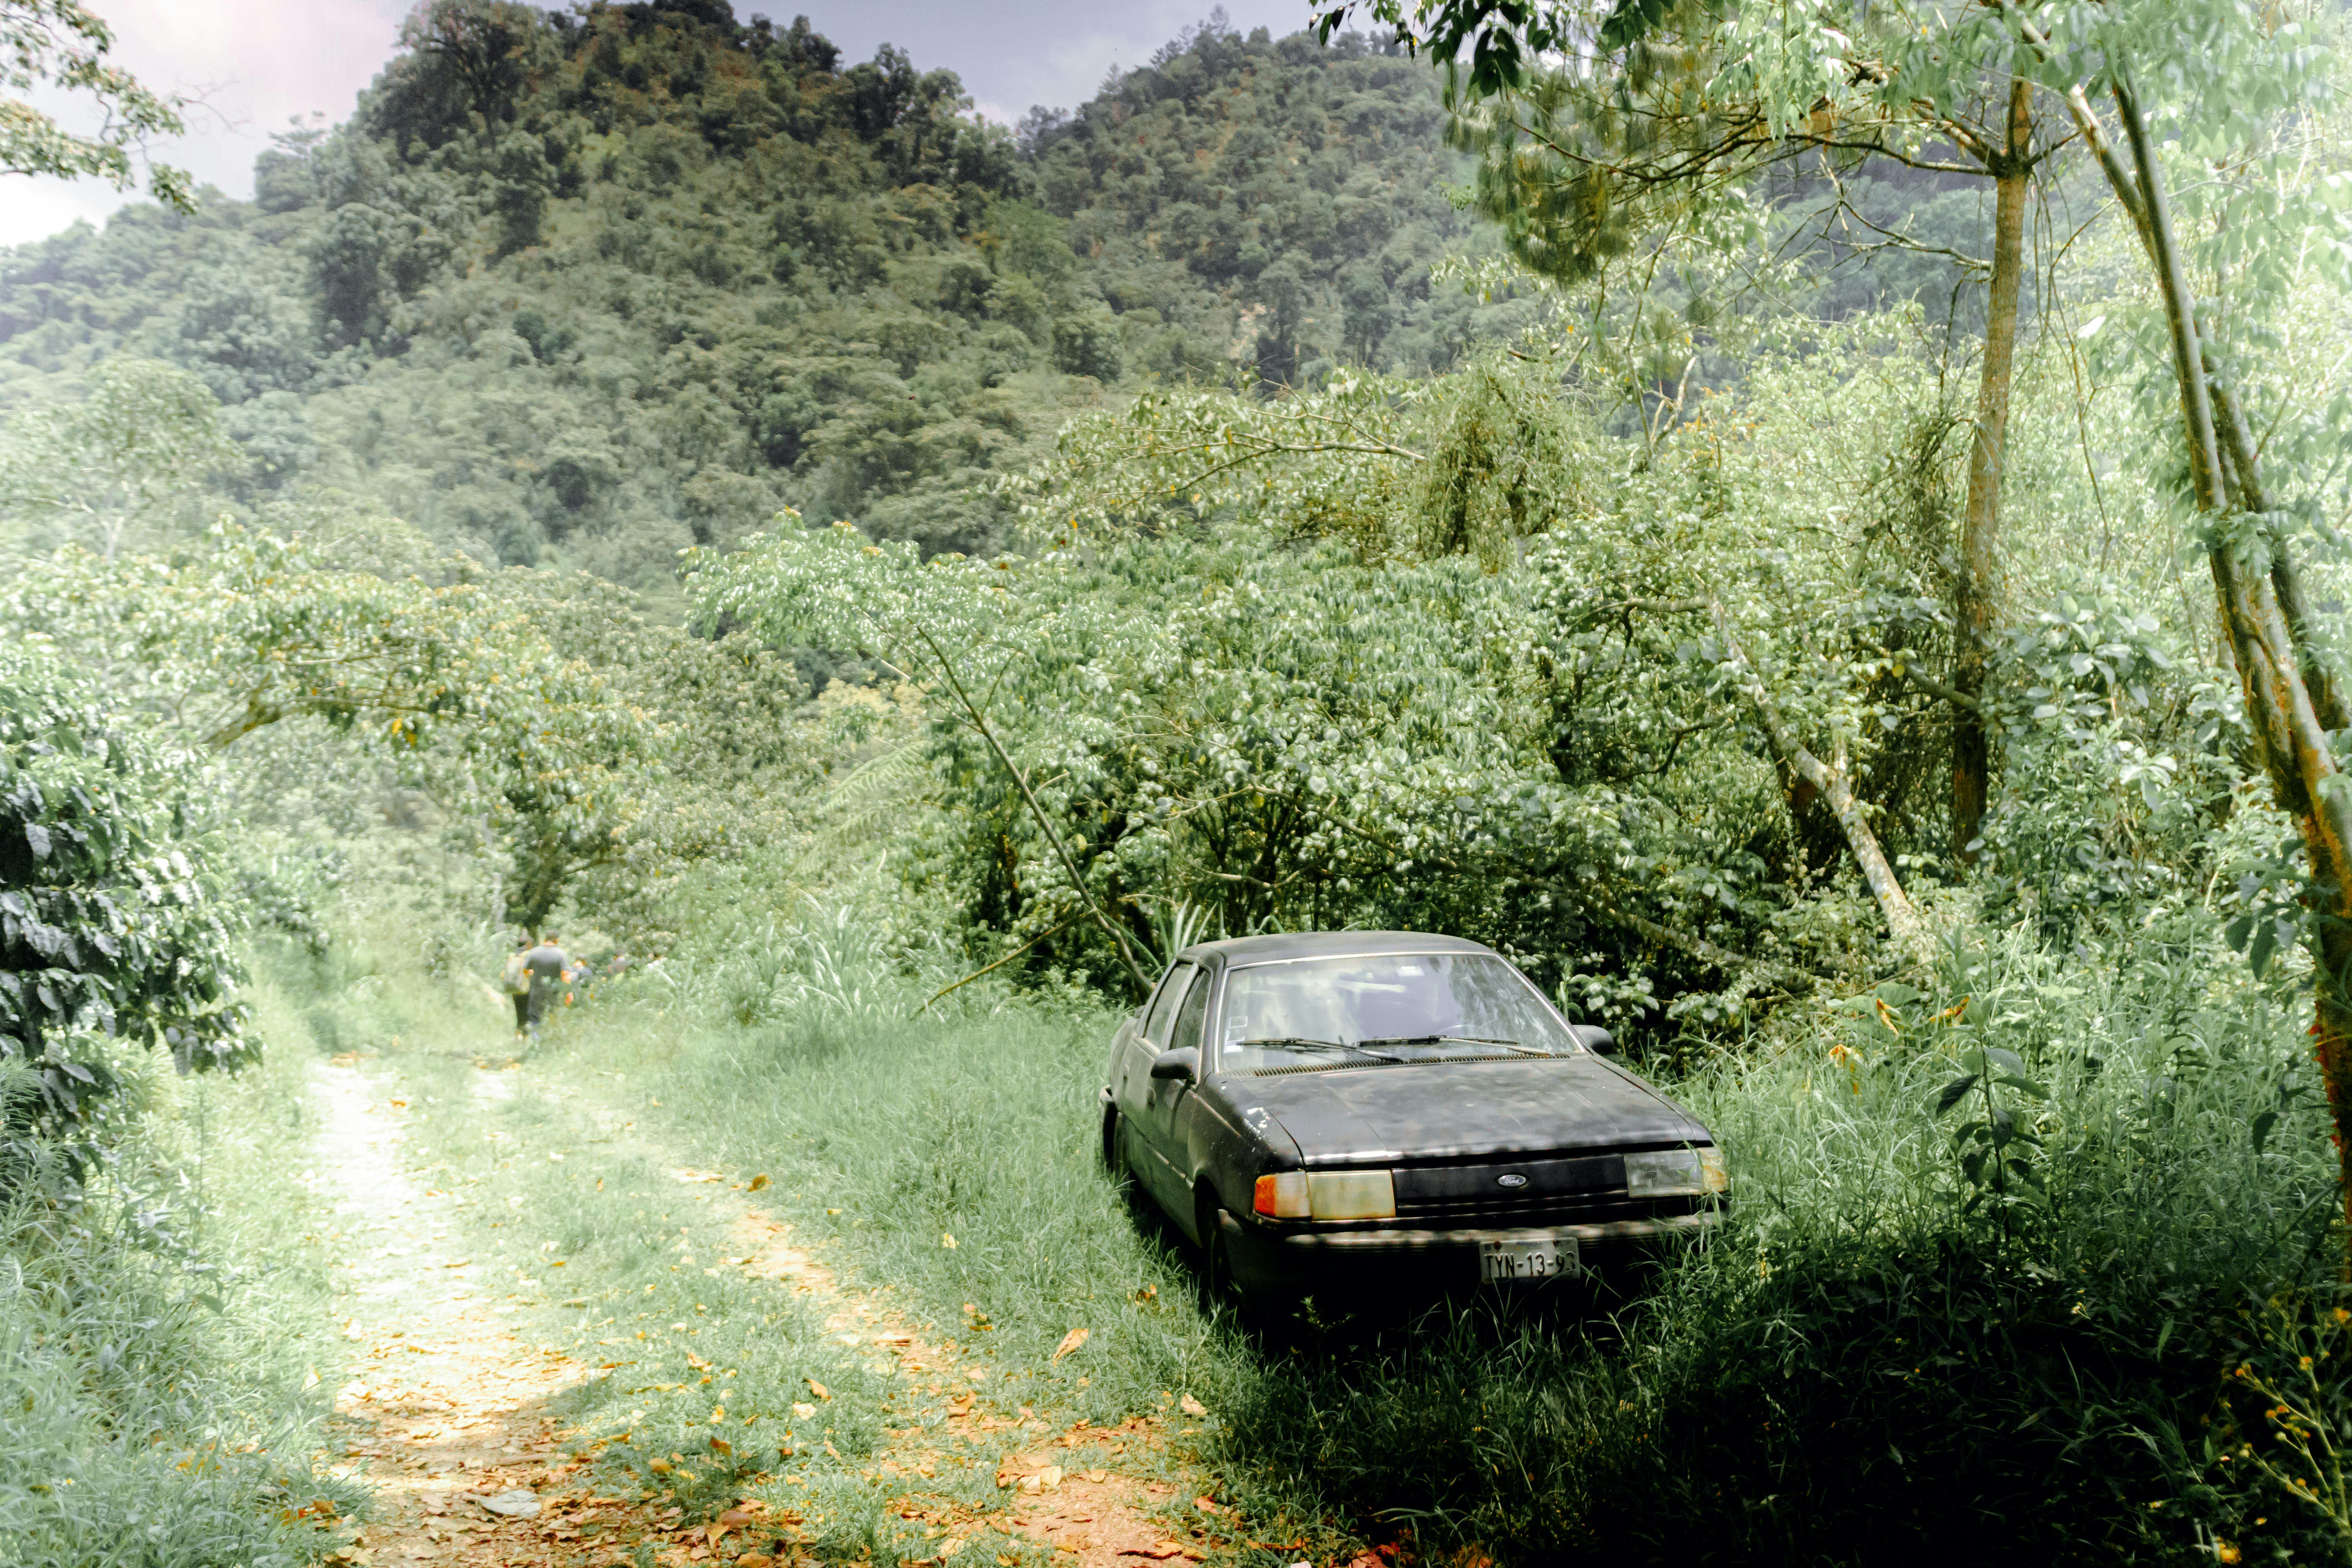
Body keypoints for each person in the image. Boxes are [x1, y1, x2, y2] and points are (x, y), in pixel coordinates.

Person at [523, 932, 571, 1037]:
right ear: (556, 940)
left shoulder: (534, 952)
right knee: (552, 1017)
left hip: (536, 991)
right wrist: (568, 993)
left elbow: (526, 971)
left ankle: (536, 1042)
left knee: (535, 1018)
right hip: (553, 994)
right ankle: (550, 1041)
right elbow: (565, 975)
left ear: (545, 939)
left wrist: (533, 976)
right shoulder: (561, 955)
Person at [499, 935, 533, 1038]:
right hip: (526, 989)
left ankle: (517, 1037)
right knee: (527, 1013)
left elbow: (502, 974)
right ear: (528, 945)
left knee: (519, 1013)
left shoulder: (512, 956)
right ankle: (525, 1039)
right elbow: (530, 972)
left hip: (514, 989)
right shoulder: (528, 955)